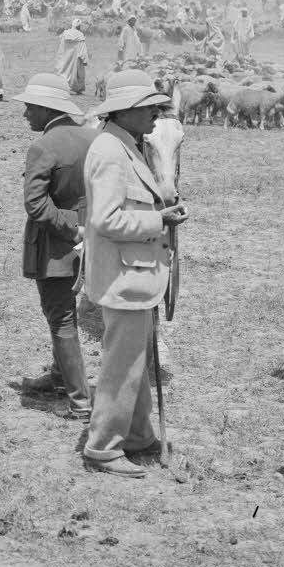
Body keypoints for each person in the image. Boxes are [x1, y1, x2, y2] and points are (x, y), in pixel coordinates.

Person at [81, 70, 188, 477]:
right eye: (148, 109)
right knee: (121, 367)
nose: (155, 116)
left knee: (135, 363)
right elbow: (106, 219)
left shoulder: (127, 145)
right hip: (123, 276)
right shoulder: (110, 151)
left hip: (136, 275)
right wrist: (159, 221)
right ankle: (103, 447)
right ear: (124, 111)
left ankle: (138, 435)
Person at [18, 74, 94, 421]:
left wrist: (73, 228)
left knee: (61, 319)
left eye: (29, 108)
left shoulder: (44, 147)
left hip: (57, 248)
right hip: (93, 241)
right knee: (66, 313)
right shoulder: (94, 138)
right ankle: (60, 376)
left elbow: (36, 205)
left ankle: (79, 401)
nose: (25, 115)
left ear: (46, 109)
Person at [55, 18, 90, 94]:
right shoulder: (80, 35)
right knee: (76, 74)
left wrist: (60, 57)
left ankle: (63, 86)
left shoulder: (65, 34)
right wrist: (85, 60)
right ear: (79, 26)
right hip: (76, 58)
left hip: (66, 57)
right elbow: (82, 49)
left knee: (65, 72)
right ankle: (76, 89)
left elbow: (61, 47)